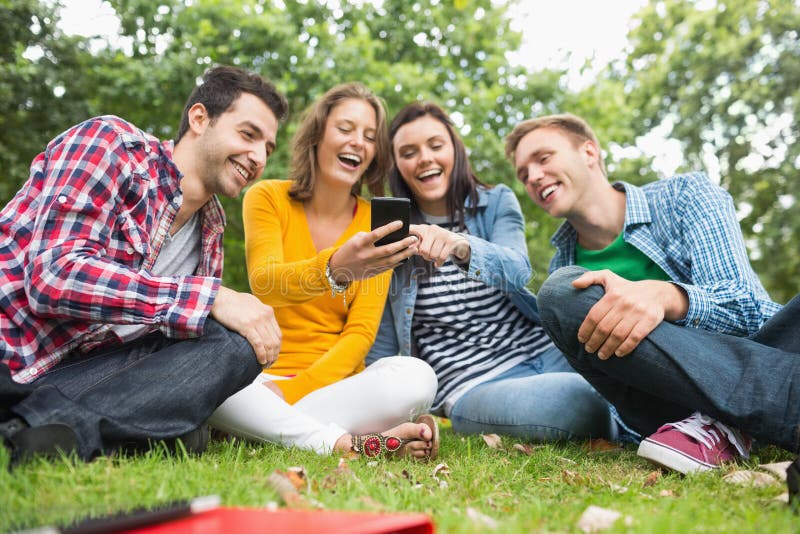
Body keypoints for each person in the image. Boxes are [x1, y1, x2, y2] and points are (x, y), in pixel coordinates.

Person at [0, 66, 288, 465]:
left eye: (268, 149)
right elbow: (53, 276)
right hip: (13, 357)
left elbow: (167, 360)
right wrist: (208, 296)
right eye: (248, 134)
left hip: (71, 383)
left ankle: (47, 430)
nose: (258, 157)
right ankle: (72, 431)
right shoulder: (112, 143)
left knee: (235, 344)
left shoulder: (212, 232)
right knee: (186, 432)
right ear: (200, 118)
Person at [504, 113, 795, 474]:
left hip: (761, 361)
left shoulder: (686, 196)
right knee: (561, 293)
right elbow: (615, 388)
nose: (532, 177)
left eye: (543, 158)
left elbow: (754, 313)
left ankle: (736, 424)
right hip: (669, 409)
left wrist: (668, 298)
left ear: (589, 152)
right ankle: (738, 421)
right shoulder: (565, 268)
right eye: (523, 174)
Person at [366, 102, 621, 443]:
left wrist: (460, 245)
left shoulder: (496, 202)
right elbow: (382, 336)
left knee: (622, 367)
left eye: (435, 145)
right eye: (409, 152)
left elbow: (517, 271)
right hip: (476, 385)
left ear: (455, 150)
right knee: (575, 399)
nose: (424, 158)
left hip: (544, 351)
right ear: (397, 165)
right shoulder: (393, 231)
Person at [209, 83, 439, 459]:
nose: (358, 143)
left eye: (369, 136)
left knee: (415, 377)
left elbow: (361, 333)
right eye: (345, 129)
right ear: (317, 135)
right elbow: (266, 285)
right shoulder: (266, 198)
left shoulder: (372, 222)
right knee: (206, 377)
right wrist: (334, 269)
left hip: (332, 387)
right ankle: (345, 440)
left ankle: (264, 428)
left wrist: (290, 393)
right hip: (257, 378)